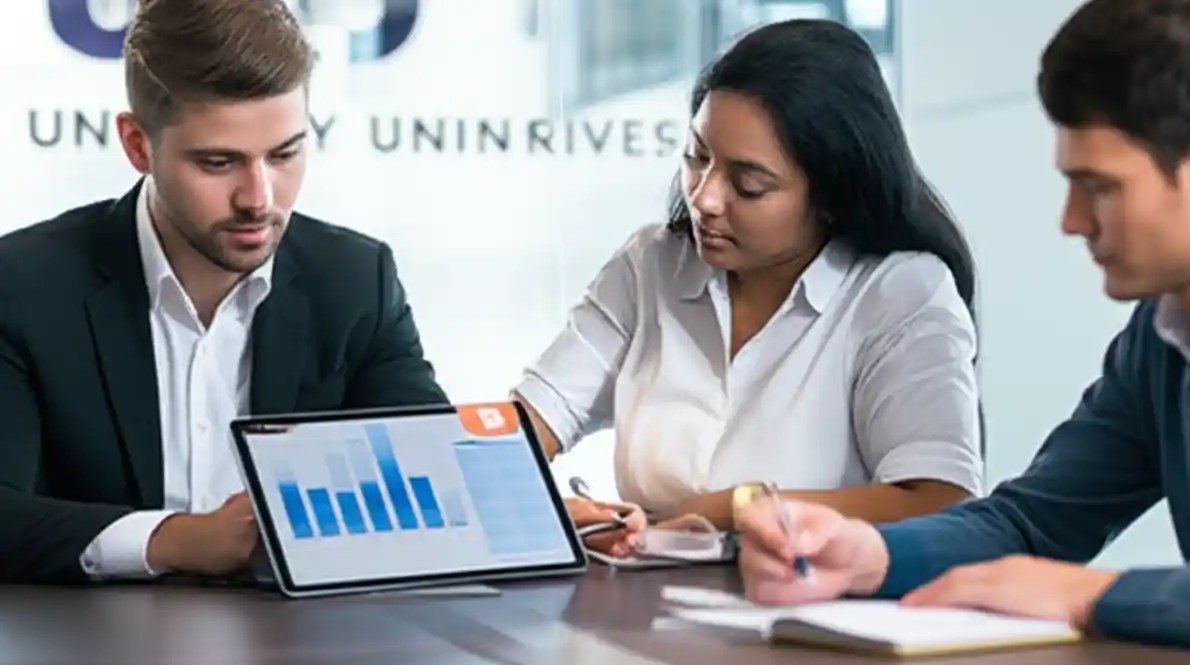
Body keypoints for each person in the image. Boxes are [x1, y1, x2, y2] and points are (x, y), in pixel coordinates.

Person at [736, 0, 1190, 656]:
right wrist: (866, 553)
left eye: (1099, 186)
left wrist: (1090, 595)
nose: (1072, 221)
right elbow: (1033, 521)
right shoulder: (1165, 335)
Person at [0, 0, 448, 584]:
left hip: (310, 661)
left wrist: (540, 514)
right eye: (218, 162)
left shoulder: (356, 280)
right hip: (89, 659)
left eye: (285, 154)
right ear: (138, 145)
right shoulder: (25, 284)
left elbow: (433, 475)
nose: (259, 197)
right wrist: (177, 538)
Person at [513, 19, 984, 556]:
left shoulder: (899, 292)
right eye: (697, 158)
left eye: (749, 185)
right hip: (645, 609)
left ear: (833, 193)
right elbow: (524, 428)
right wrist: (546, 508)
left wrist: (735, 506)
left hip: (814, 615)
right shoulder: (650, 267)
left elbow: (940, 501)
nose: (706, 199)